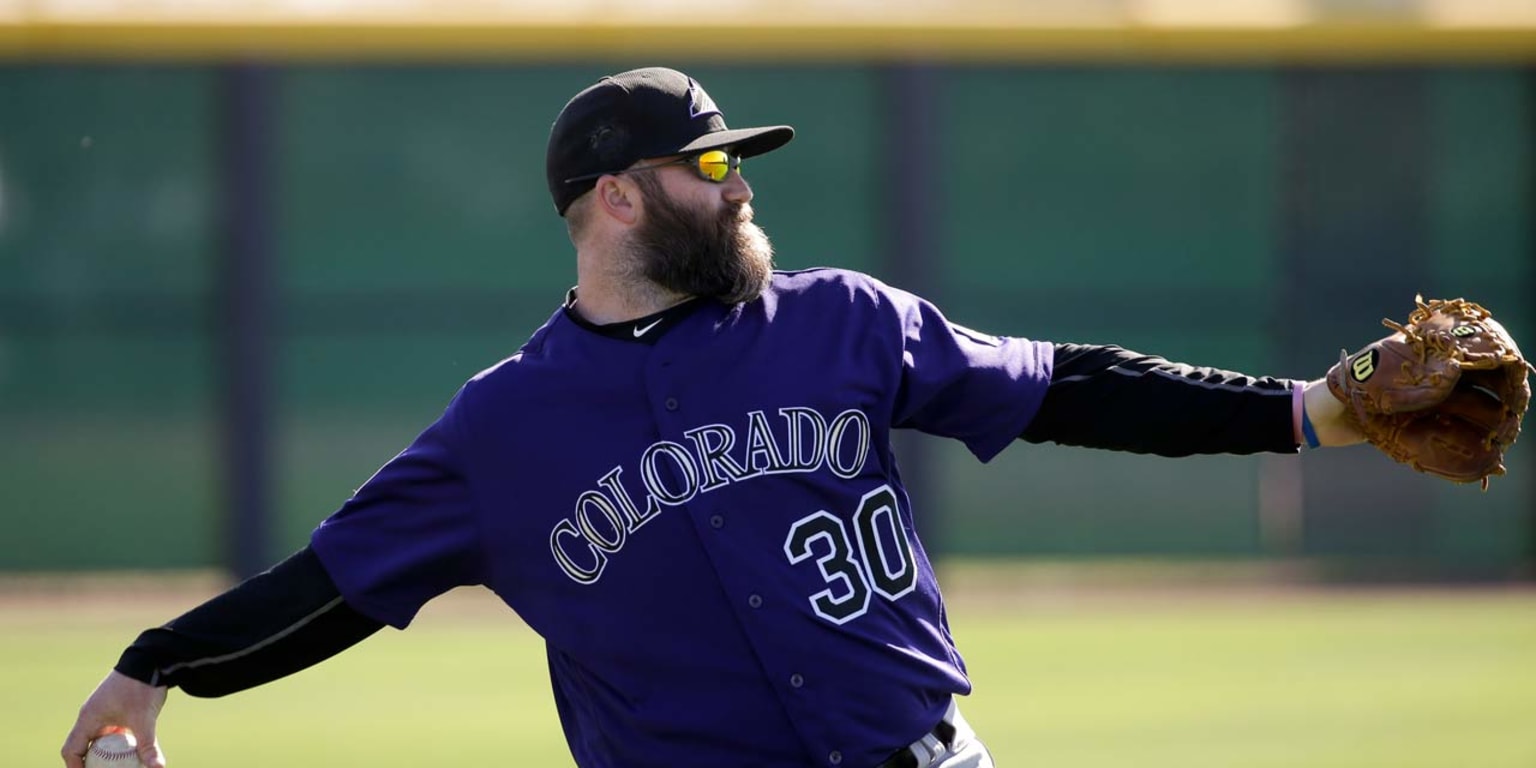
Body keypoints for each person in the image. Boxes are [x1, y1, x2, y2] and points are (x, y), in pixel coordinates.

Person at [61, 66, 1363, 768]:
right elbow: (330, 588)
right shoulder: (506, 428)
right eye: (715, 164)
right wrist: (156, 664)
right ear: (619, 198)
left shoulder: (842, 319)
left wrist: (1307, 413)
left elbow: (1062, 384)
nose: (742, 188)